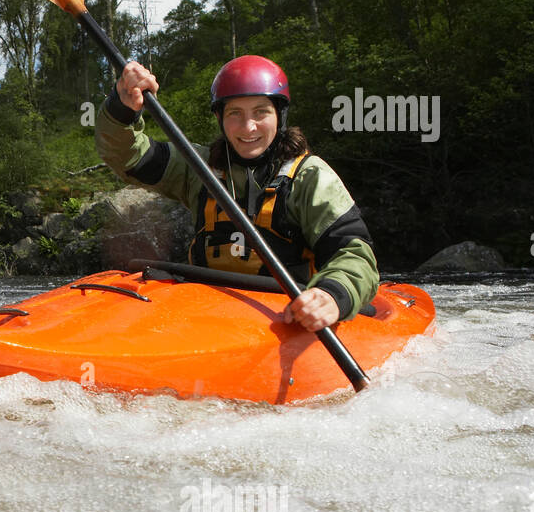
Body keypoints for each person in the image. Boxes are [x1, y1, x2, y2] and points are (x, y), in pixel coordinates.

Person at [95, 54, 378, 333]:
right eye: (235, 114)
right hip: (206, 315)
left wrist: (331, 294)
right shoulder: (198, 167)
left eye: (260, 112)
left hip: (285, 317)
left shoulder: (310, 176)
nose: (248, 127)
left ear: (279, 114)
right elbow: (126, 156)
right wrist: (122, 108)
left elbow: (354, 254)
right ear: (220, 117)